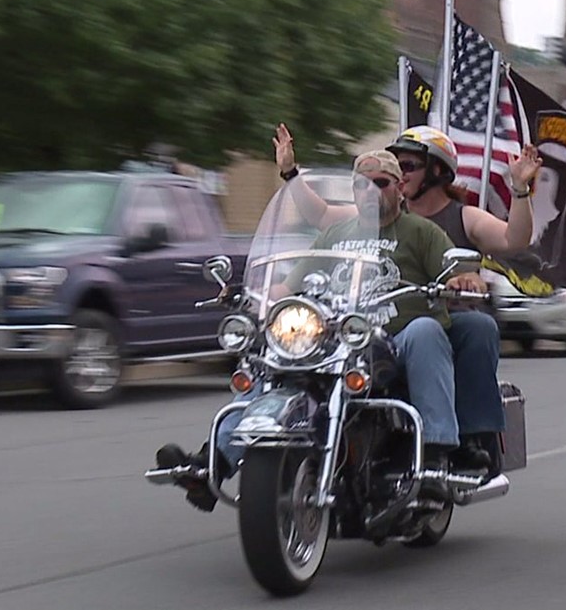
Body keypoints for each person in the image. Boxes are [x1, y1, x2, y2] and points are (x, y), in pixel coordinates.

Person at [155, 149, 482, 511]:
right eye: (361, 184)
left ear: (400, 188)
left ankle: (434, 455)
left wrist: (465, 279)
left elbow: (457, 273)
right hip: (338, 336)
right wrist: (253, 298)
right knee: (274, 358)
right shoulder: (335, 234)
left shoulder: (421, 231)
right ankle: (212, 465)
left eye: (381, 183)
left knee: (426, 330)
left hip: (395, 338)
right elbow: (288, 287)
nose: (370, 191)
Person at [271, 123, 540, 475]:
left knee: (475, 327)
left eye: (407, 167)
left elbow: (514, 239)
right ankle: (235, 447)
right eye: (364, 183)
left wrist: (519, 190)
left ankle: (465, 439)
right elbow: (319, 216)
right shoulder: (357, 221)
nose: (398, 174)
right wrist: (291, 173)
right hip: (359, 328)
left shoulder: (454, 220)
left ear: (436, 171)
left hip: (436, 314)